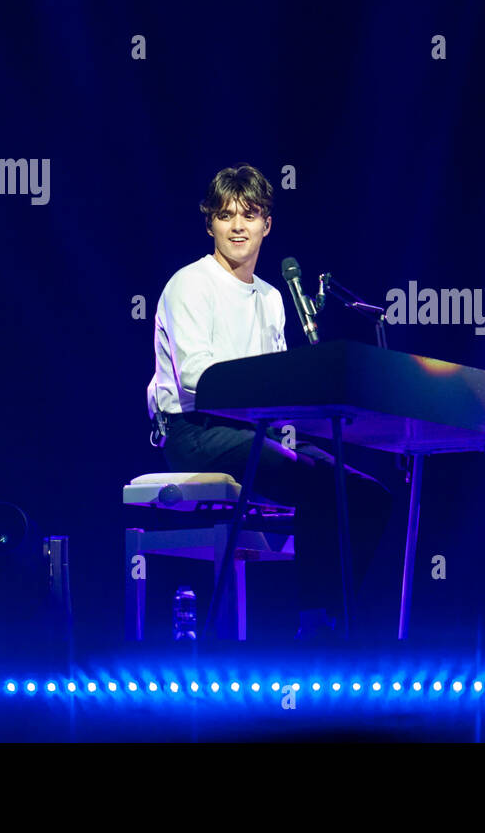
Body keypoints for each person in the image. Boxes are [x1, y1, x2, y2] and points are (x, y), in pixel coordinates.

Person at [145, 164, 392, 639]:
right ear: (210, 224)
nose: (238, 226)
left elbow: (279, 378)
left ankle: (333, 620)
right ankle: (313, 626)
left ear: (267, 224)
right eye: (226, 215)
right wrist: (270, 398)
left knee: (365, 493)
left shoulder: (274, 297)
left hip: (257, 429)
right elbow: (198, 378)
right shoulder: (189, 285)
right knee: (314, 480)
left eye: (250, 215)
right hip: (196, 433)